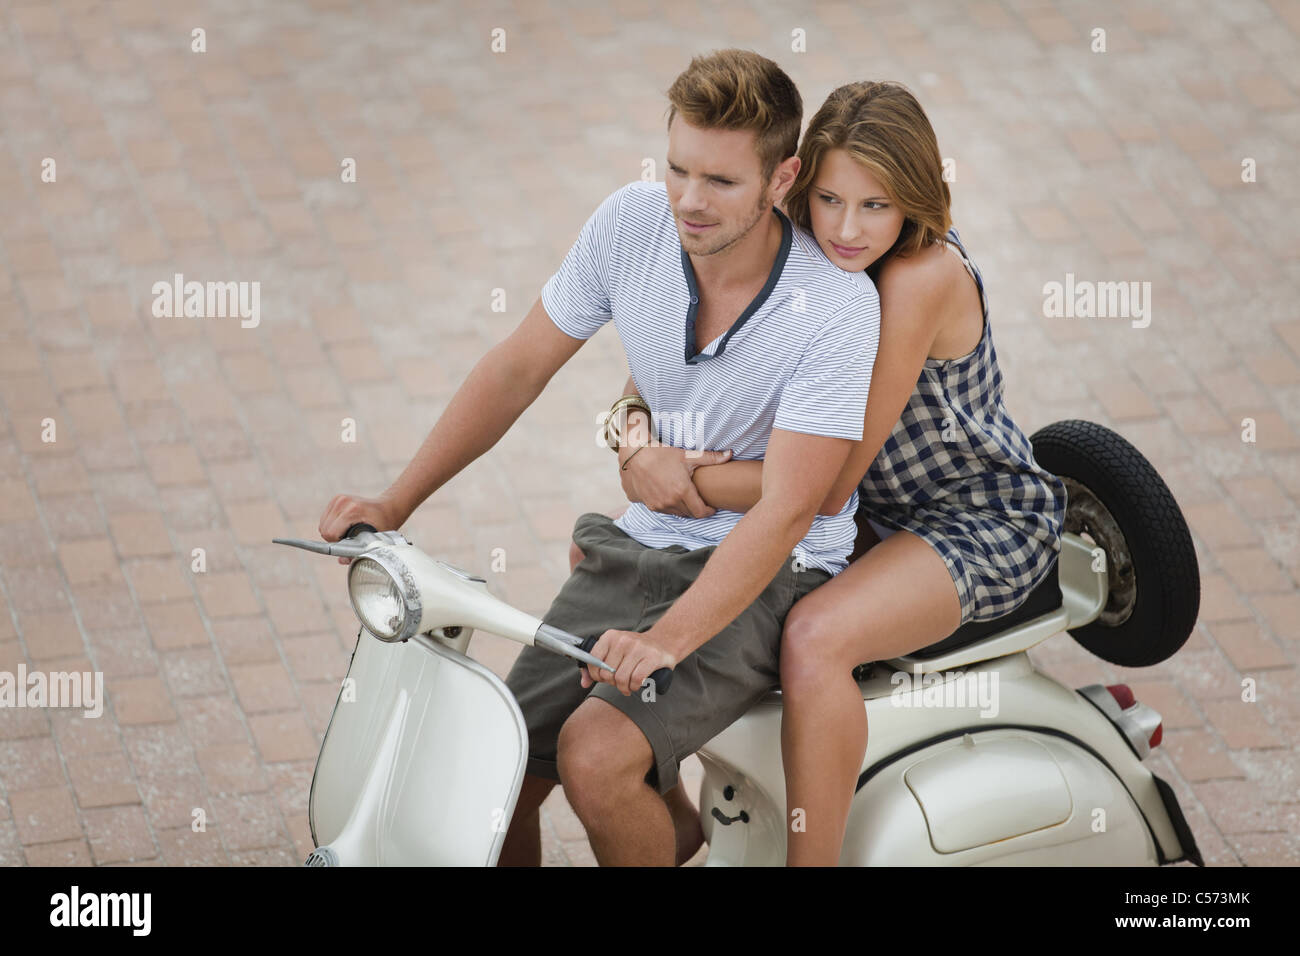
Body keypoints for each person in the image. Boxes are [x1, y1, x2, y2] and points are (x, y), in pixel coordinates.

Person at [318, 50, 883, 866]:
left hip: (771, 569)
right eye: (678, 170)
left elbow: (793, 507)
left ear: (783, 178)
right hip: (643, 540)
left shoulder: (833, 305)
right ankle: (674, 829)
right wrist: (398, 499)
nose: (689, 201)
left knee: (595, 757)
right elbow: (518, 368)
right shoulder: (630, 223)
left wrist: (671, 638)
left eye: (721, 182)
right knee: (494, 764)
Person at [598, 80, 1067, 865]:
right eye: (829, 199)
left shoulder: (918, 280)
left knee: (814, 637)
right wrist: (631, 445)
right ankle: (669, 807)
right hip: (853, 517)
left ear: (915, 199)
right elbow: (644, 384)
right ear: (796, 185)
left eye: (877, 206)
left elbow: (830, 483)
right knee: (618, 554)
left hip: (964, 519)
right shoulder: (787, 249)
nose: (847, 229)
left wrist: (691, 483)